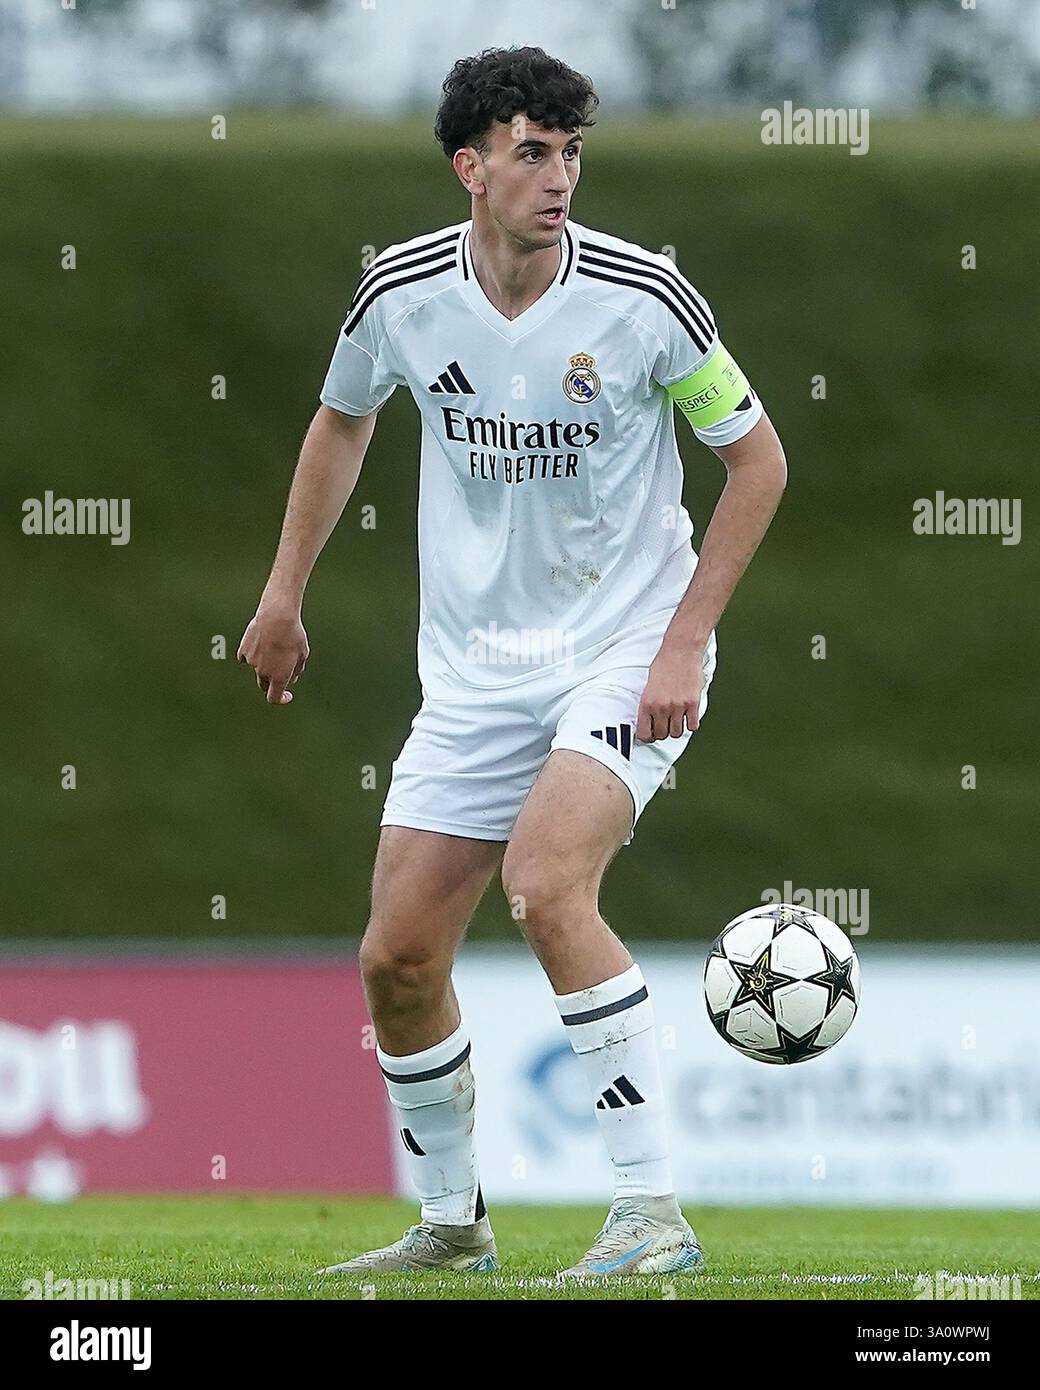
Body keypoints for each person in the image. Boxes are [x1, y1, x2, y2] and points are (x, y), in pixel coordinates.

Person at [238, 46, 787, 1279]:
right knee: (396, 956)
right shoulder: (399, 295)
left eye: (571, 152)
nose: (558, 178)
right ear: (468, 168)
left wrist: (684, 639)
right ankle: (452, 1221)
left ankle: (651, 1214)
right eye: (531, 153)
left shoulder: (645, 299)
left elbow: (757, 462)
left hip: (621, 650)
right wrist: (283, 591)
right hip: (474, 672)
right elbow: (341, 416)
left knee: (546, 885)